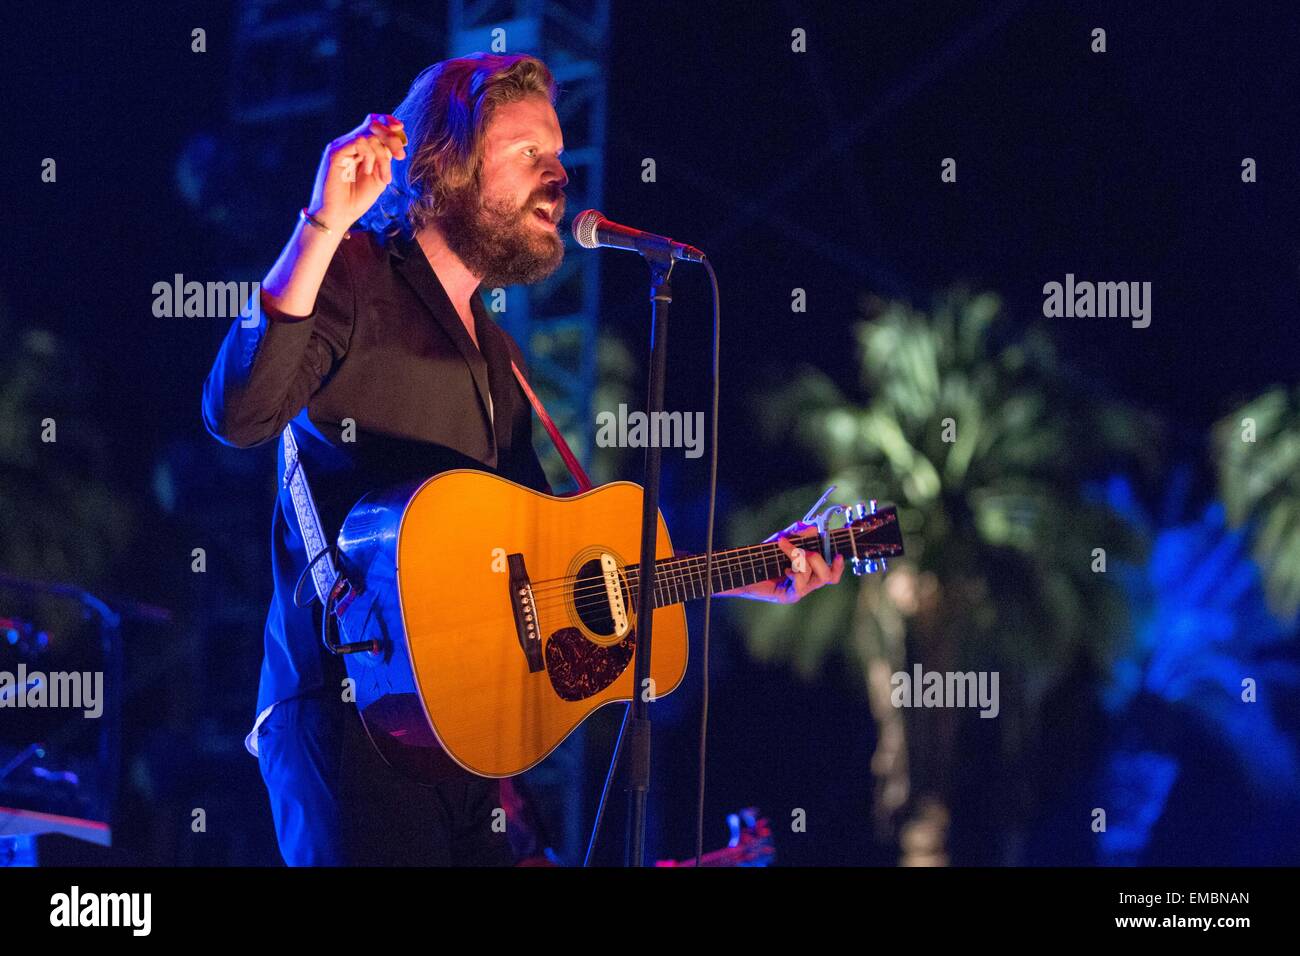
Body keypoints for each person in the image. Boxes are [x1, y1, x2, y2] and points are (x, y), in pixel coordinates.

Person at [202, 52, 843, 867]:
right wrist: (320, 227)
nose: (559, 175)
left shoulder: (499, 357)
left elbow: (559, 560)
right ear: (448, 165)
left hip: (470, 740)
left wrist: (740, 572)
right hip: (352, 713)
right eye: (530, 153)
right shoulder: (351, 274)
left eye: (561, 156)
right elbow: (238, 412)